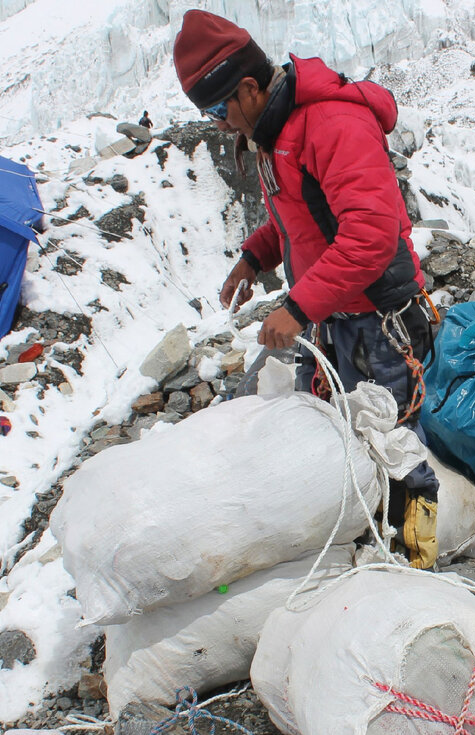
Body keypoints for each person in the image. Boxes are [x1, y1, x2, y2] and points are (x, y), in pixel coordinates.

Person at [172, 10, 440, 568]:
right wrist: (254, 256)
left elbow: (369, 235)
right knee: (330, 432)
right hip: (336, 313)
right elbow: (299, 219)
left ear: (248, 87)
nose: (220, 125)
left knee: (395, 444)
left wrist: (297, 307)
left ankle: (418, 563)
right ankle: (355, 541)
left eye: (220, 110)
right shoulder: (277, 135)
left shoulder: (331, 125)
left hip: (381, 317)